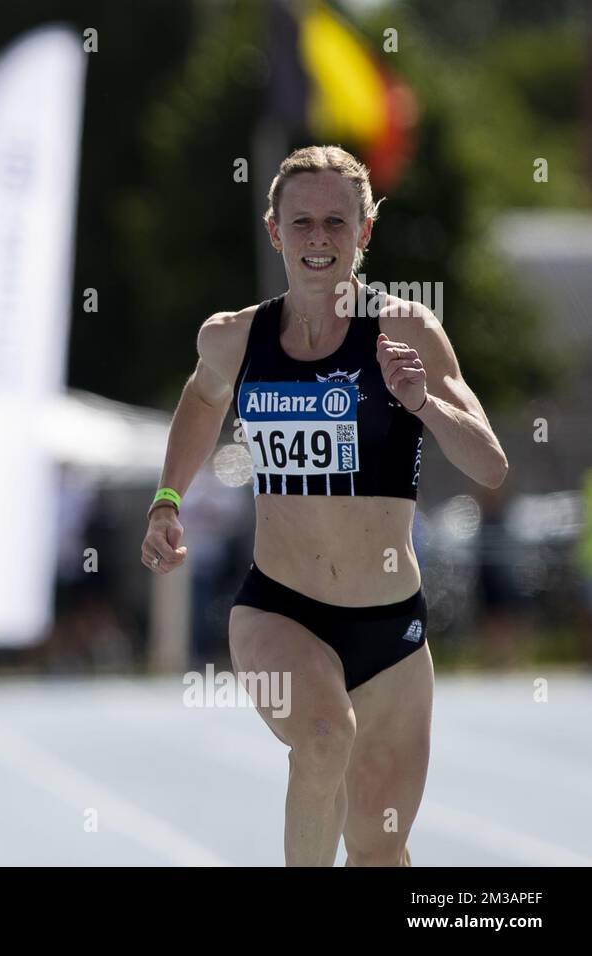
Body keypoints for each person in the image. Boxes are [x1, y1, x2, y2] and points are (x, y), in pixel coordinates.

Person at [139, 146, 507, 866]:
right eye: (301, 221)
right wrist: (165, 500)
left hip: (392, 629)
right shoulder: (233, 337)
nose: (318, 238)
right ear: (274, 231)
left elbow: (490, 465)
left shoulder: (407, 332)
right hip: (279, 609)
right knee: (321, 738)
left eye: (336, 222)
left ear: (365, 232)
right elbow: (201, 400)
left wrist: (420, 401)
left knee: (379, 849)